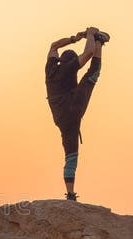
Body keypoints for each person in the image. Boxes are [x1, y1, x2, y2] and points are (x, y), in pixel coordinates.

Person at [45, 26, 109, 201]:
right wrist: (90, 36)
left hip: (61, 119)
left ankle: (70, 193)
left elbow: (54, 46)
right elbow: (87, 54)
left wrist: (75, 38)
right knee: (91, 76)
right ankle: (100, 44)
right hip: (72, 107)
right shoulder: (67, 68)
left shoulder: (51, 68)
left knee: (71, 155)